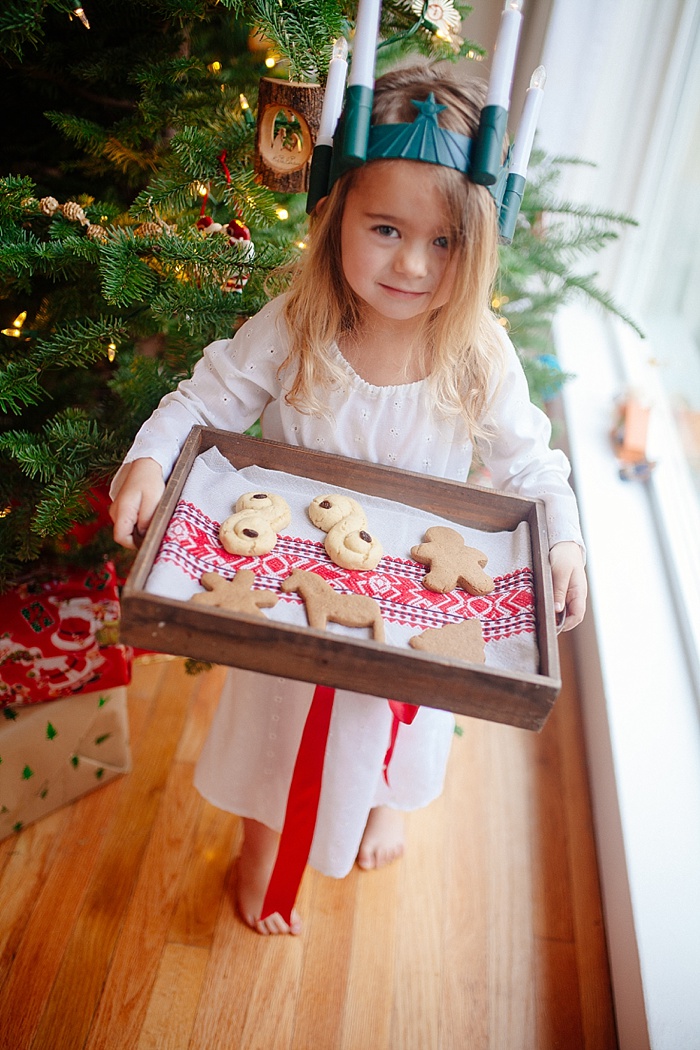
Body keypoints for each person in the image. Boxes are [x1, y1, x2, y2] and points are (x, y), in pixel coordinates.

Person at [110, 64, 587, 937]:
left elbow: (533, 468)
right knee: (280, 730)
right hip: (291, 602)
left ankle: (382, 804)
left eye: (442, 243)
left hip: (407, 601)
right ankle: (265, 852)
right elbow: (202, 401)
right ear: (336, 219)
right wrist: (149, 458)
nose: (410, 262)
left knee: (396, 722)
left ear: (476, 247)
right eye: (385, 228)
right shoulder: (298, 325)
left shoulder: (478, 354)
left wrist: (562, 542)